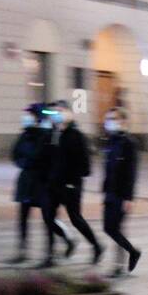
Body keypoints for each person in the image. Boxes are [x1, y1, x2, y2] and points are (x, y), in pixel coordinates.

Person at [44, 100, 103, 266]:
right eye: (55, 112)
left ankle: (96, 246)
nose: (57, 114)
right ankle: (62, 246)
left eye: (60, 111)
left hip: (70, 186)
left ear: (69, 113)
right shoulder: (54, 134)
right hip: (53, 185)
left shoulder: (77, 136)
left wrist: (71, 182)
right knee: (48, 217)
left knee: (76, 219)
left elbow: (86, 167)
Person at [101, 107, 141, 275]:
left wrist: (129, 198)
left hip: (121, 194)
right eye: (108, 118)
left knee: (114, 228)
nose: (109, 122)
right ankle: (132, 252)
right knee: (109, 228)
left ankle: (119, 265)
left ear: (123, 121)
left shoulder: (129, 143)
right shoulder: (111, 141)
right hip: (110, 192)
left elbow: (132, 172)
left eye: (113, 119)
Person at [10, 103, 52, 263]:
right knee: (22, 217)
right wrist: (24, 162)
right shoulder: (24, 134)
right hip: (26, 181)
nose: (26, 117)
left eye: (29, 115)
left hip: (41, 182)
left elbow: (41, 157)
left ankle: (49, 253)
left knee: (47, 218)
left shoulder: (45, 135)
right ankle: (22, 251)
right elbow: (15, 154)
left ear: (37, 118)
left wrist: (29, 161)